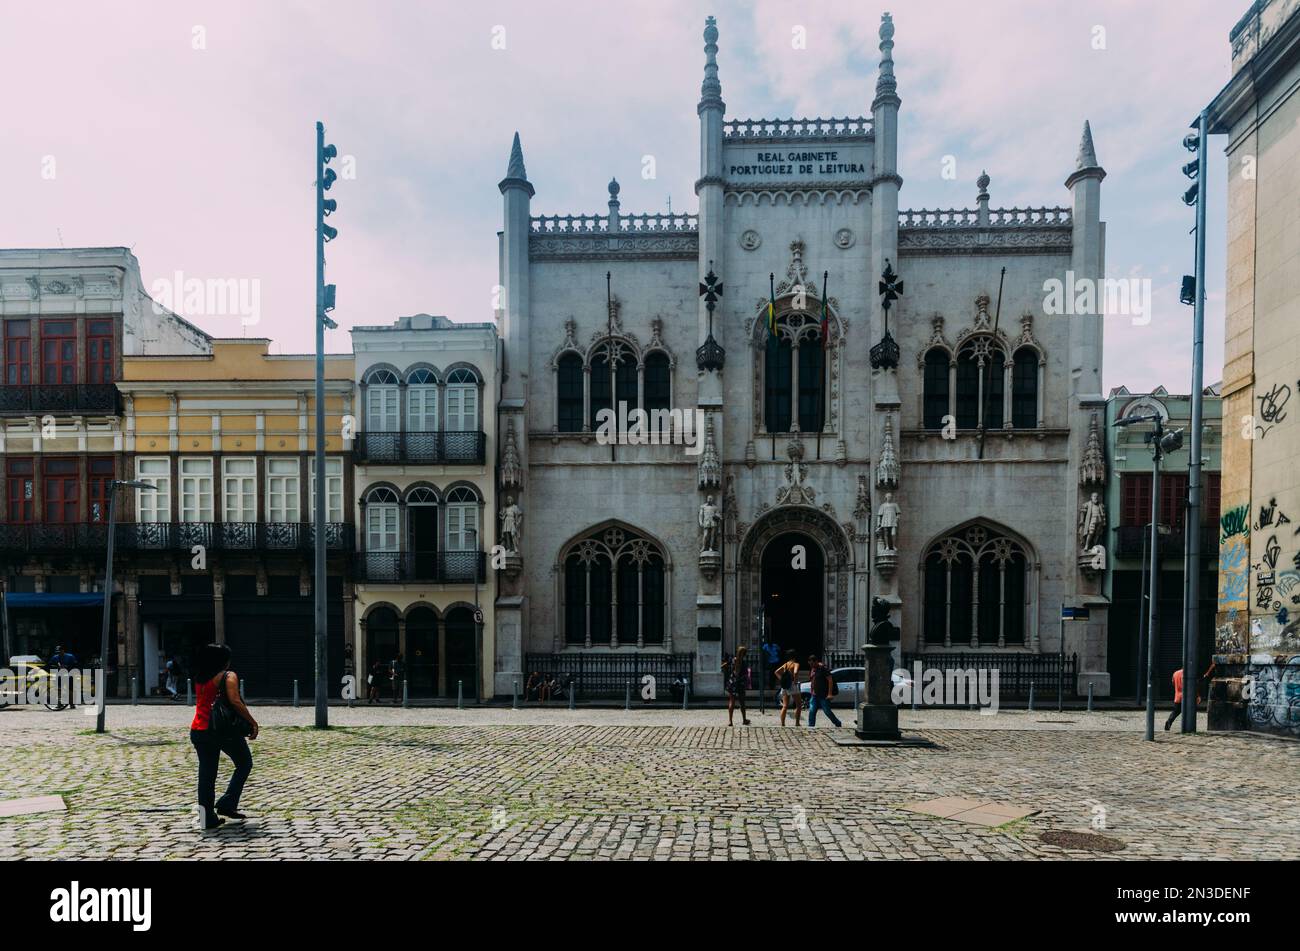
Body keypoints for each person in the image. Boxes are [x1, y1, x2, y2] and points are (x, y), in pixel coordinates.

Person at [190, 643, 258, 830]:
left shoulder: (200, 677)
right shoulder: (228, 676)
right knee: (244, 763)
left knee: (207, 774)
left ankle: (206, 818)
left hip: (199, 729)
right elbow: (235, 701)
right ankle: (228, 803)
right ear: (224, 660)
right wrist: (252, 722)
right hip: (222, 730)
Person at [1165, 662, 1215, 731]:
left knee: (1176, 712)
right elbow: (1193, 686)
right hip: (1187, 697)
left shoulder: (1175, 673)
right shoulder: (1188, 675)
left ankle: (1169, 721)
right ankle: (1188, 727)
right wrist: (1198, 696)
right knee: (1189, 712)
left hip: (1177, 697)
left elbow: (1173, 683)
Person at [806, 655, 842, 728]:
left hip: (823, 694)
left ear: (816, 661)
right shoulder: (813, 669)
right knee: (812, 710)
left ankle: (837, 722)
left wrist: (829, 693)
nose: (811, 665)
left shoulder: (823, 668)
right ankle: (811, 726)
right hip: (814, 694)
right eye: (810, 664)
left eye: (812, 663)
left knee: (827, 711)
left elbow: (830, 680)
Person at [772, 650, 802, 727]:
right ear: (795, 656)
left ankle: (783, 723)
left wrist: (782, 679)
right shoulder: (796, 664)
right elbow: (795, 672)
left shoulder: (785, 664)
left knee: (785, 705)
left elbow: (776, 672)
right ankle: (797, 723)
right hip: (792, 685)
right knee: (798, 705)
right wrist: (795, 681)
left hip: (785, 685)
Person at [724, 646, 751, 726]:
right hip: (740, 683)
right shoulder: (744, 663)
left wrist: (729, 672)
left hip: (733, 683)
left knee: (731, 701)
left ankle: (730, 721)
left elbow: (724, 666)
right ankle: (744, 720)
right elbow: (746, 674)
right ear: (744, 654)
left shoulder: (733, 660)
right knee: (742, 702)